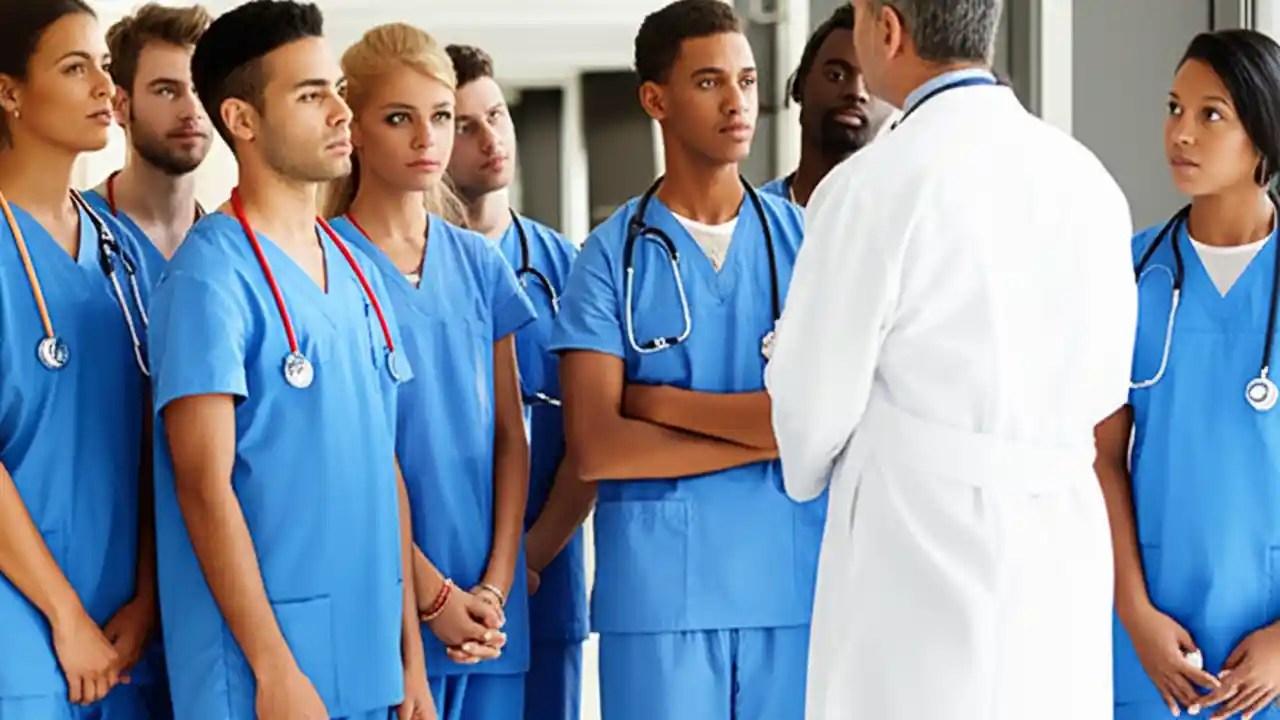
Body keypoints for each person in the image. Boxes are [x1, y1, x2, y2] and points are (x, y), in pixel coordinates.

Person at [764, 0, 1139, 717]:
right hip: (1058, 550)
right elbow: (1102, 387)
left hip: (915, 550)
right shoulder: (1087, 180)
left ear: (886, 28)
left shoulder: (871, 185)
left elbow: (809, 422)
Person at [147, 3, 432, 719]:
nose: (341, 111)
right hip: (260, 679)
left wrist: (411, 663)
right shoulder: (210, 278)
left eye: (334, 88)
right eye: (311, 96)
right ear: (242, 120)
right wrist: (274, 670)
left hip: (370, 666)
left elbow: (382, 466)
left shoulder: (355, 269)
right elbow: (203, 486)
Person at [550, 2, 822, 718]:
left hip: (790, 595)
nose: (737, 102)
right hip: (659, 603)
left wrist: (658, 404)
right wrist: (764, 435)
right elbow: (598, 448)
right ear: (655, 99)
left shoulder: (808, 246)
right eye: (709, 82)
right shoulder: (609, 259)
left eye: (748, 79)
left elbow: (825, 424)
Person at [323, 23, 535, 720]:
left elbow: (511, 435)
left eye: (440, 117)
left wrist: (496, 588)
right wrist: (434, 596)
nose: (427, 139)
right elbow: (348, 463)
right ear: (353, 128)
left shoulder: (479, 265)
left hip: (490, 618)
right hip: (384, 605)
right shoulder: (325, 267)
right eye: (398, 118)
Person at [1097, 30, 1280, 720]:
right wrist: (1135, 613)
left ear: (1263, 133)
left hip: (1269, 646)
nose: (1181, 133)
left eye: (1211, 115)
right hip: (1155, 637)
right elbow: (1101, 457)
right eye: (1175, 108)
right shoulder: (1127, 274)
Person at [0, 1, 163, 717]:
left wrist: (150, 597)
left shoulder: (123, 254)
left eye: (104, 65)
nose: (106, 86)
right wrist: (65, 617)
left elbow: (167, 441)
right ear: (8, 91)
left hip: (127, 617)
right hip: (22, 613)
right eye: (76, 68)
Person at [444, 43, 593, 720]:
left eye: (496, 116)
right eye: (464, 125)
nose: (490, 138)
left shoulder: (568, 269)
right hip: (442, 581)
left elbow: (594, 434)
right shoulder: (402, 268)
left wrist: (527, 559)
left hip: (542, 576)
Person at [83, 3, 213, 262]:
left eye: (200, 91)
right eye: (166, 90)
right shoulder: (78, 234)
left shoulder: (224, 246)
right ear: (119, 105)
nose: (191, 110)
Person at [761, 4, 893, 206]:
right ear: (800, 85)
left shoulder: (902, 221)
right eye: (836, 75)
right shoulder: (752, 219)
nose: (856, 92)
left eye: (872, 81)